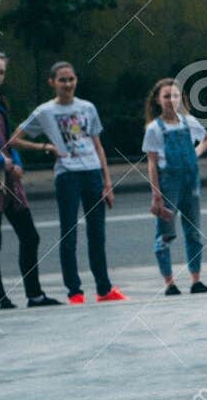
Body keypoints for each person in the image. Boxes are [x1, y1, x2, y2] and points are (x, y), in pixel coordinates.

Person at [9, 61, 125, 303]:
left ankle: (104, 289)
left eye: (71, 79)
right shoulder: (45, 112)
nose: (67, 84)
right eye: (62, 80)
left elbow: (98, 145)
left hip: (92, 172)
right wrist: (45, 146)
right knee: (69, 232)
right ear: (52, 83)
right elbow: (14, 140)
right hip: (67, 174)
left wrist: (107, 182)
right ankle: (75, 291)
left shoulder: (88, 107)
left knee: (97, 233)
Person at [0, 50, 58, 309]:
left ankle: (35, 294)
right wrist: (1, 162)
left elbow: (8, 140)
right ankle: (0, 298)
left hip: (10, 180)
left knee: (30, 236)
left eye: (1, 72)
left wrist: (16, 162)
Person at [143, 78, 207, 295]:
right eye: (166, 96)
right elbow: (152, 163)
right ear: (157, 100)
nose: (171, 101)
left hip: (190, 182)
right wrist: (156, 194)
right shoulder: (154, 128)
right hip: (168, 184)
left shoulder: (189, 122)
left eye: (174, 96)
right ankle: (170, 282)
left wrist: (195, 153)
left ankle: (196, 279)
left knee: (193, 232)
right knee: (165, 234)